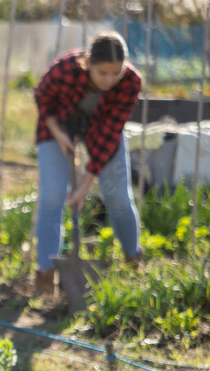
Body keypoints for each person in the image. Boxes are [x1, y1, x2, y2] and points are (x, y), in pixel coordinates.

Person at [33, 30, 143, 295]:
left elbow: (109, 134)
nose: (109, 80)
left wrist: (84, 185)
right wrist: (58, 133)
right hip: (59, 123)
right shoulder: (64, 69)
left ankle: (133, 263)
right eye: (102, 73)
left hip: (101, 131)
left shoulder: (130, 82)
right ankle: (45, 278)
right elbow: (43, 97)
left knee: (117, 197)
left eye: (114, 73)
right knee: (52, 197)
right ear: (88, 63)